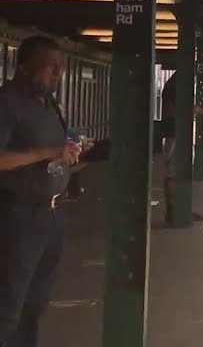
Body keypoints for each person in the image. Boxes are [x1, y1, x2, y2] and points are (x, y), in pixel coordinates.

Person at [0, 36, 90, 347]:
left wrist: (73, 147)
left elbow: (55, 147)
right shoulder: (8, 102)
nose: (57, 73)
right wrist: (48, 152)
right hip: (17, 215)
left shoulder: (47, 103)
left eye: (59, 68)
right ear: (23, 66)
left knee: (35, 302)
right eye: (49, 67)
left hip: (50, 214)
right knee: (9, 302)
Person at [156, 74, 203, 225]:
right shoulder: (176, 85)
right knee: (173, 172)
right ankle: (174, 212)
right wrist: (195, 110)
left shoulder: (172, 84)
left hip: (174, 132)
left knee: (176, 171)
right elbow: (176, 108)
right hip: (174, 133)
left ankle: (178, 209)